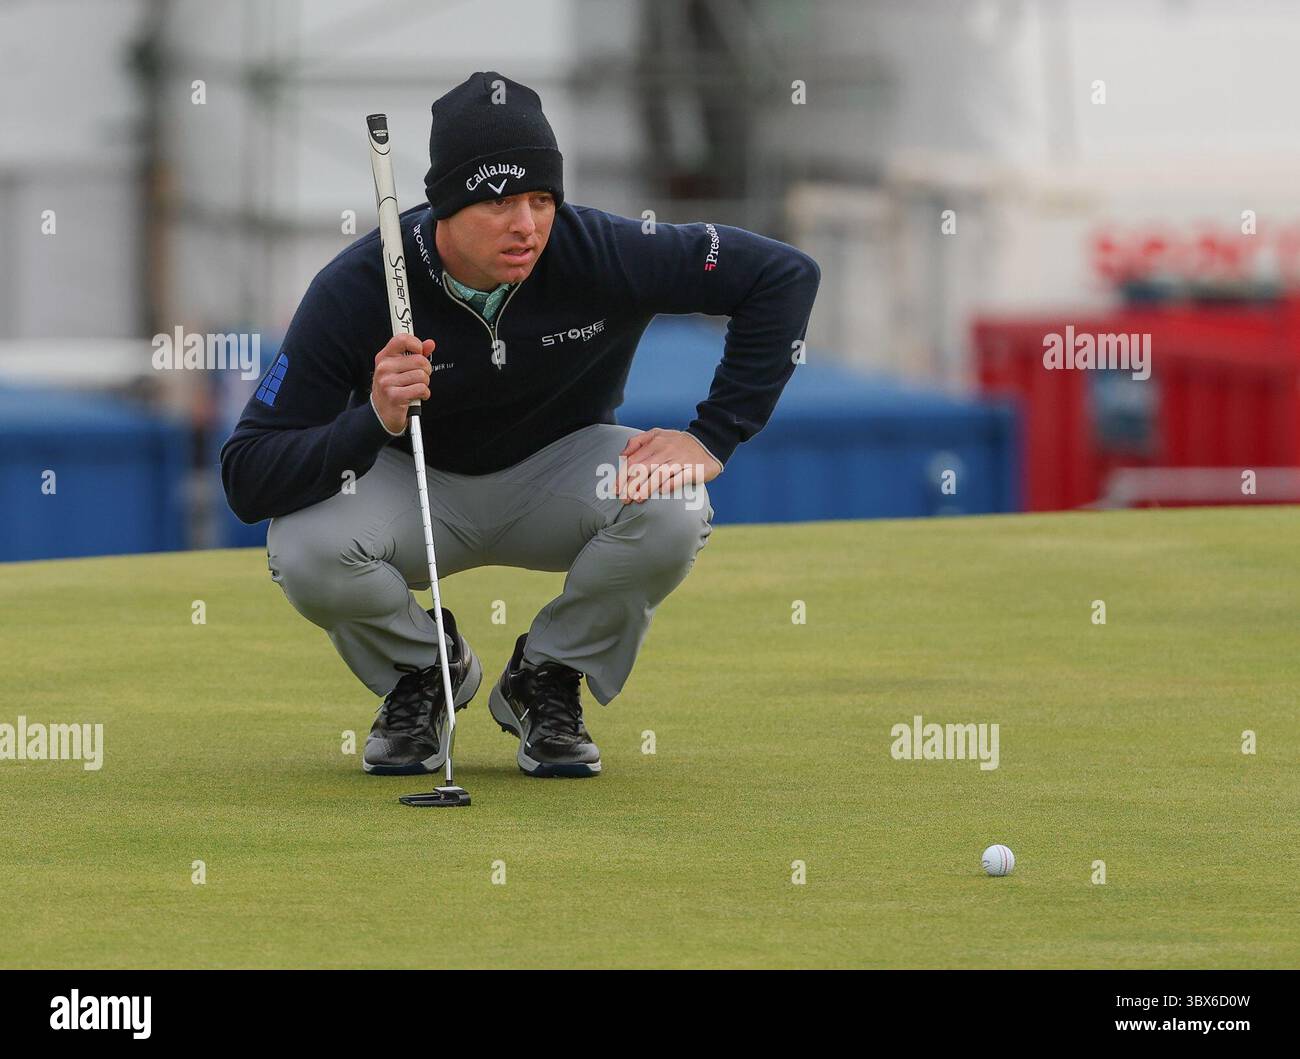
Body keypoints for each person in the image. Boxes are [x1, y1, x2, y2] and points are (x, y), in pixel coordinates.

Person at [219, 71, 820, 779]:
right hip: (409, 483)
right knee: (305, 543)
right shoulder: (358, 286)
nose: (527, 225)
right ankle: (423, 672)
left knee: (674, 503)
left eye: (541, 199)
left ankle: (546, 675)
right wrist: (372, 419)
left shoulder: (601, 249)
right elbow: (248, 475)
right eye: (498, 201)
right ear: (444, 204)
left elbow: (784, 276)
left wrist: (715, 434)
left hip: (560, 470)